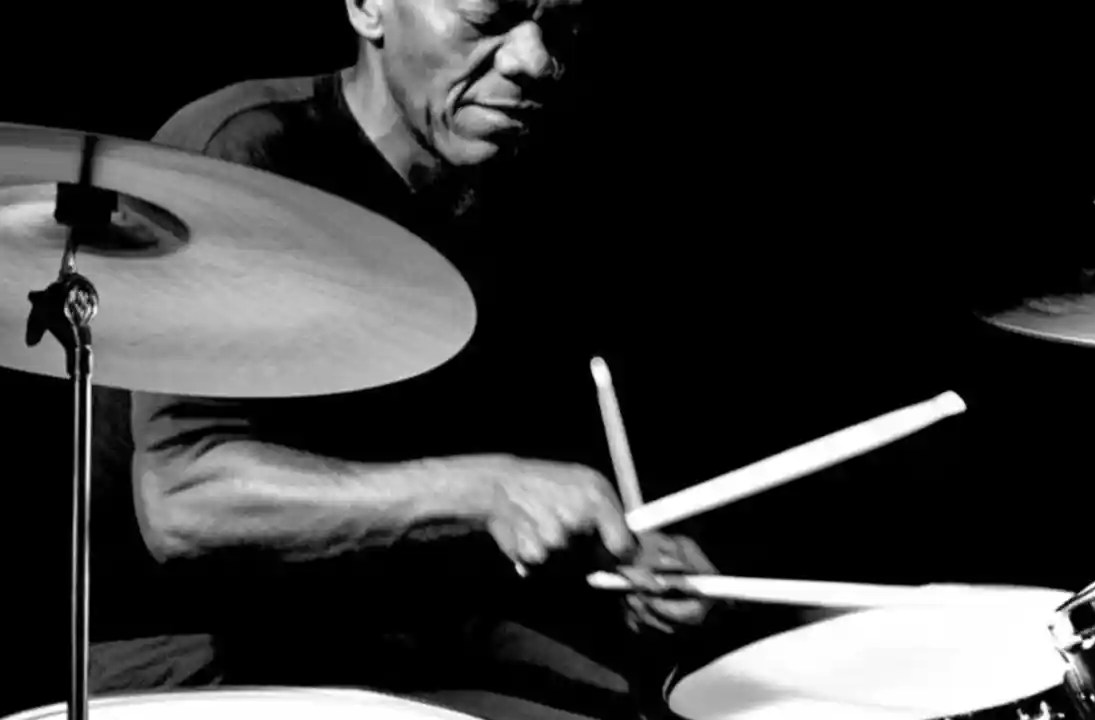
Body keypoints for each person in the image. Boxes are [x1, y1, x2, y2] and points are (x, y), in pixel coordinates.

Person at [85, 2, 724, 718]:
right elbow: (183, 501)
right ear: (369, 7)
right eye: (487, 15)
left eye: (558, 26)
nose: (535, 59)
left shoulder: (511, 185)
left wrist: (619, 560)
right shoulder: (244, 153)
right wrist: (488, 491)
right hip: (187, 653)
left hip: (397, 633)